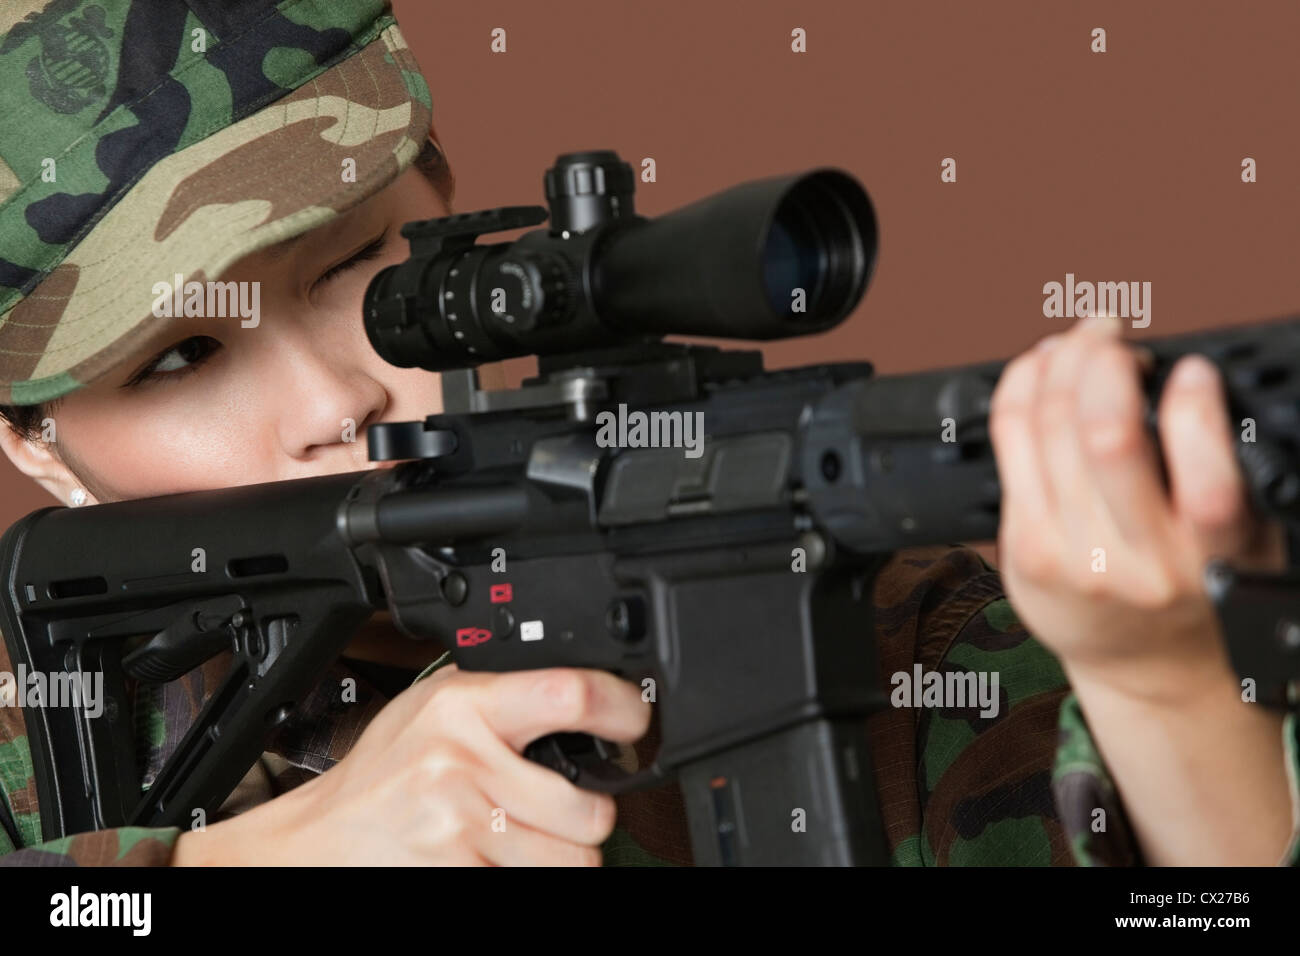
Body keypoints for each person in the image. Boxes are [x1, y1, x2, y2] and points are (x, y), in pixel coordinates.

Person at [0, 0, 1294, 867]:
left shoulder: (902, 634)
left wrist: (1164, 685)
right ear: (39, 451)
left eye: (357, 270)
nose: (339, 398)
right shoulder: (44, 728)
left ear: (447, 209)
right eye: (181, 357)